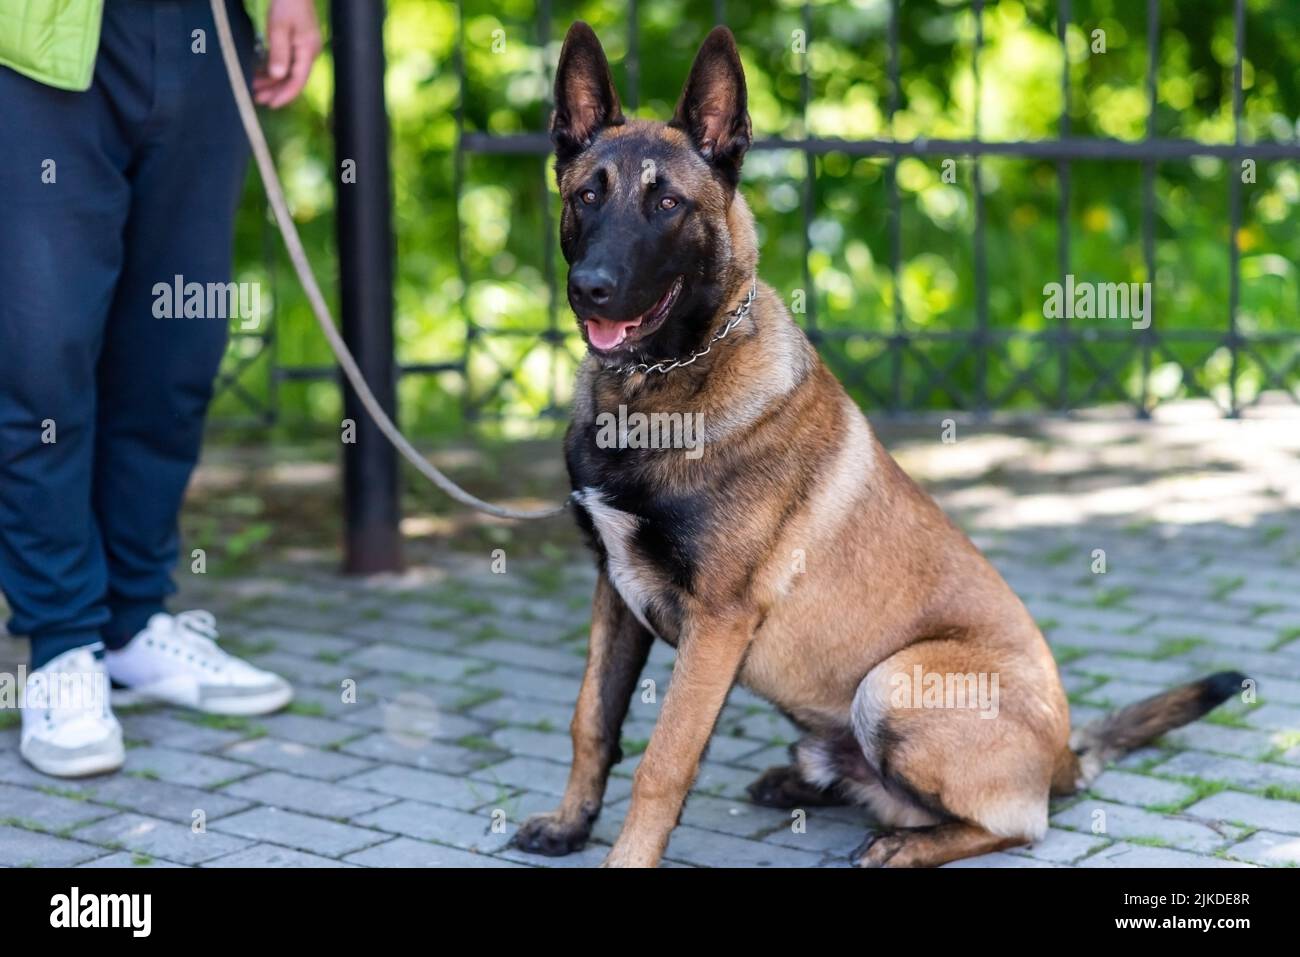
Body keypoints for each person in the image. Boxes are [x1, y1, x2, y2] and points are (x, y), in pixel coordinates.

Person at [0, 0, 323, 777]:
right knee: (41, 356)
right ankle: (61, 642)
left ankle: (132, 622)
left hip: (198, 31)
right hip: (34, 36)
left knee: (174, 347)